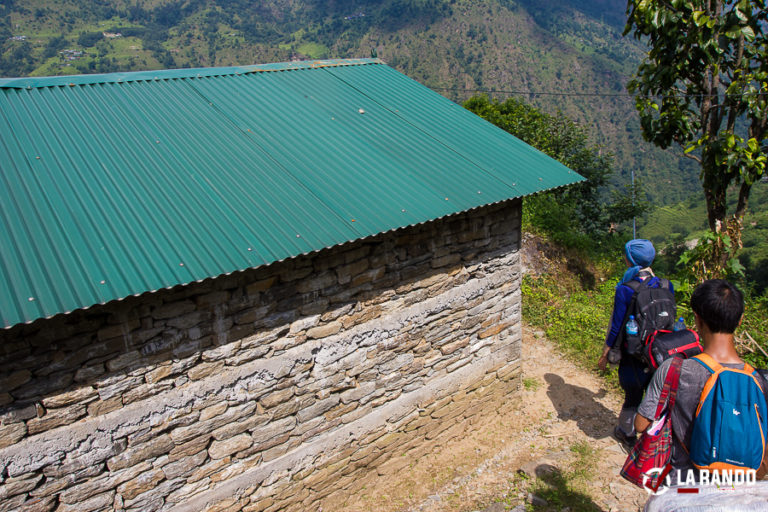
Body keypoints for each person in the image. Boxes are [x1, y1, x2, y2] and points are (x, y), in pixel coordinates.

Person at [634, 279, 768, 483]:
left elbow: (641, 424)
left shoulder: (675, 369)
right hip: (735, 490)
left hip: (683, 486)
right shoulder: (759, 380)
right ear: (740, 320)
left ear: (697, 319)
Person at [598, 239, 671, 447]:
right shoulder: (666, 285)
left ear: (630, 259)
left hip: (634, 351)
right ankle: (653, 435)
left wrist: (606, 353)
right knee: (655, 395)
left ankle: (627, 432)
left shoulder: (625, 289)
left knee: (633, 395)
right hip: (661, 350)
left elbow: (616, 326)